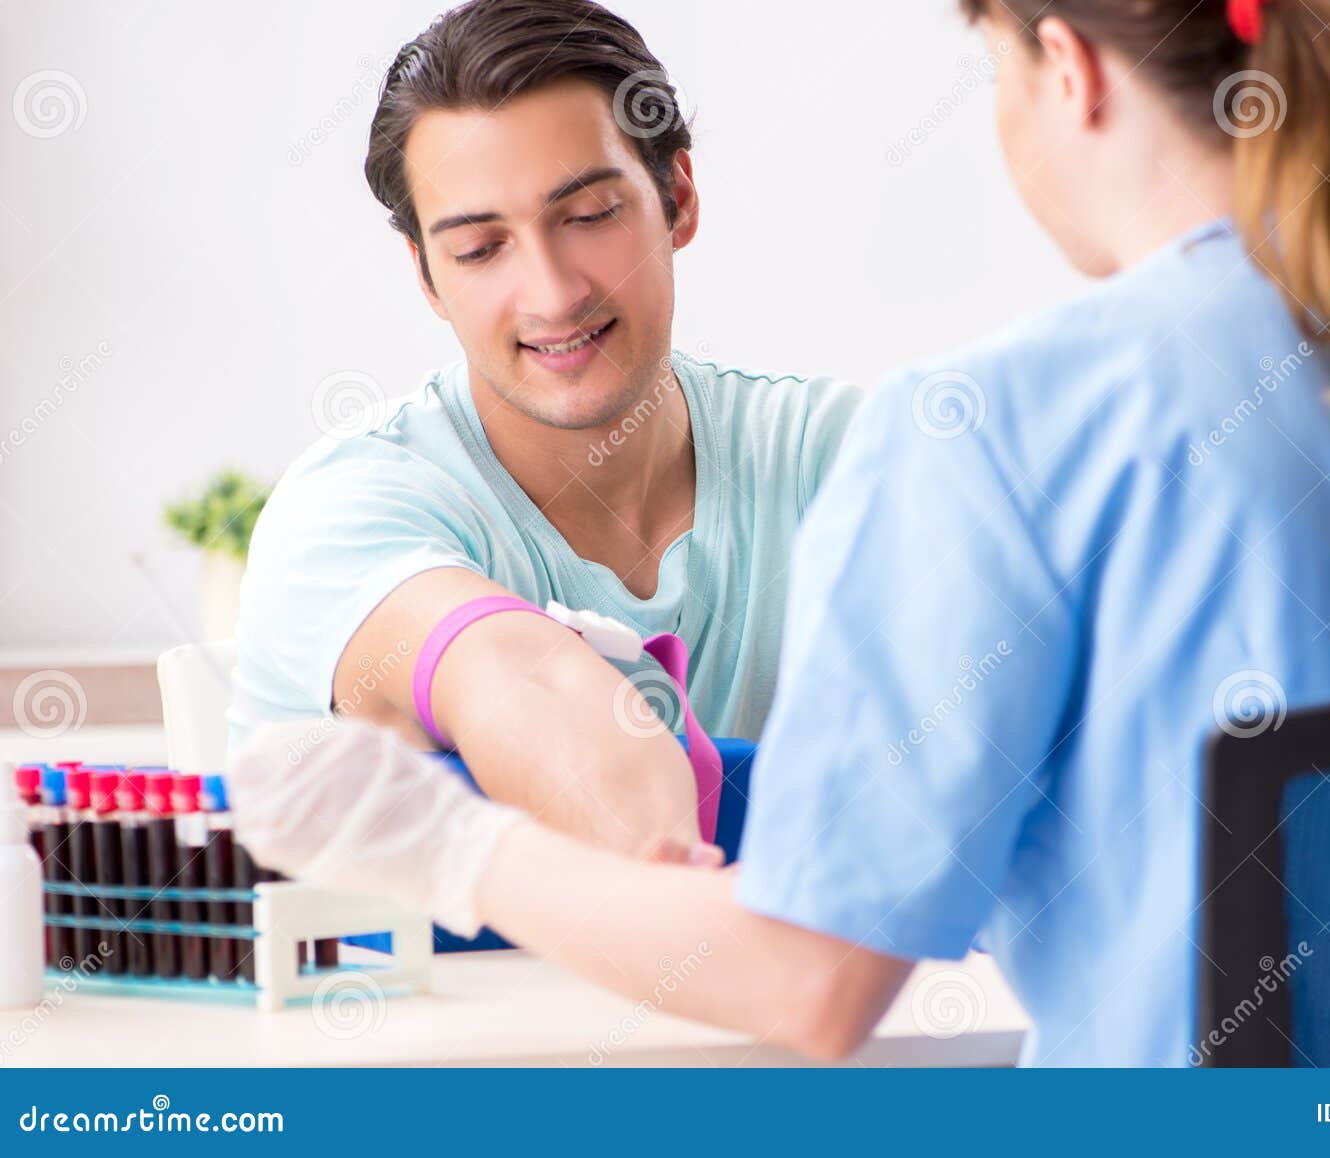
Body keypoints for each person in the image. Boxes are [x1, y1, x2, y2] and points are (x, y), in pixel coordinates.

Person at [229, 0, 1330, 1065]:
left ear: (1065, 67)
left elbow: (810, 983)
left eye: (994, 72)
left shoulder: (998, 429)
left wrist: (452, 844)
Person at [227, 0, 860, 858]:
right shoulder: (346, 513)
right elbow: (511, 680)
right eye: (481, 248)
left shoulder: (834, 458)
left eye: (590, 215)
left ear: (675, 197)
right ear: (427, 276)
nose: (554, 293)